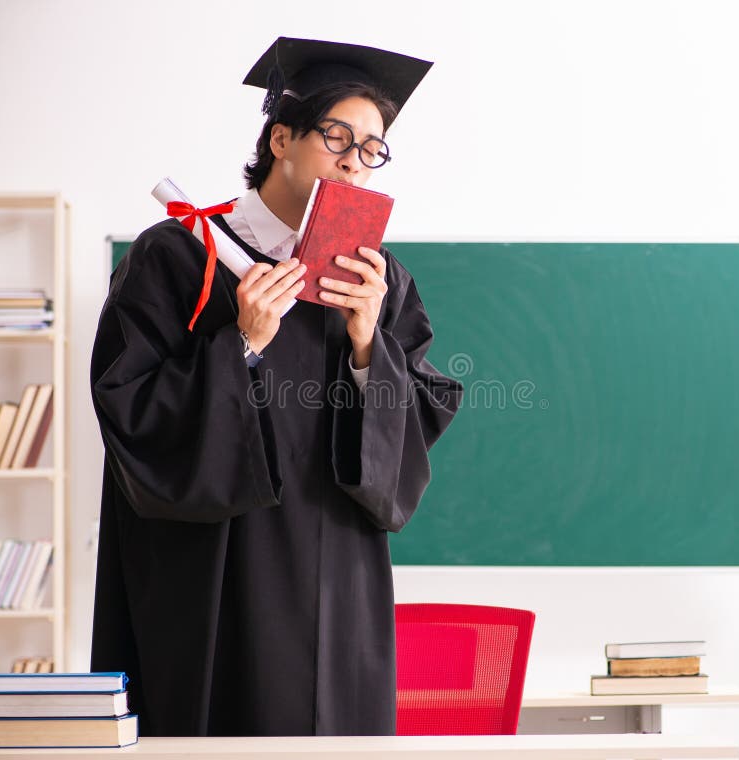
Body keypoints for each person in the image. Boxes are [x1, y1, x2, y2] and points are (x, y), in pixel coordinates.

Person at [89, 37, 462, 737]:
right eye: (337, 137)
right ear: (281, 140)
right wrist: (244, 342)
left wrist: (364, 343)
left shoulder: (377, 280)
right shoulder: (178, 257)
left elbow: (412, 434)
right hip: (212, 579)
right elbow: (130, 412)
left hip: (337, 583)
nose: (356, 159)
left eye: (373, 147)